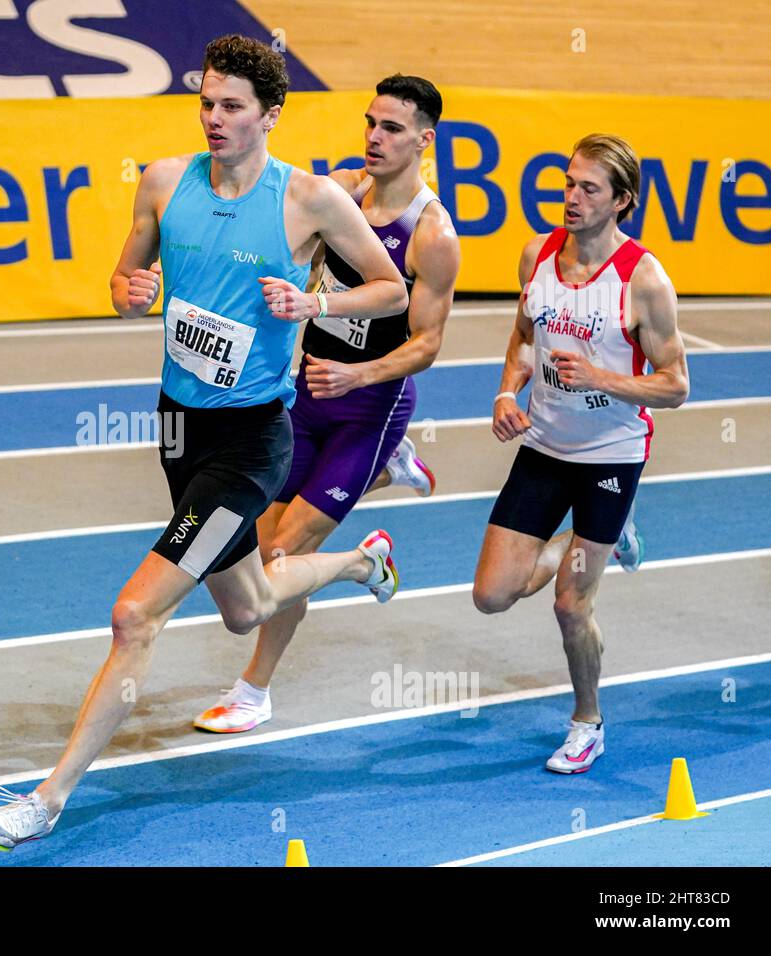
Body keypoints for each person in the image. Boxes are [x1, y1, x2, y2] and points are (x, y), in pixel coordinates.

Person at [0, 34, 409, 850]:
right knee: (246, 608)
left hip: (250, 444)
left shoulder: (309, 201)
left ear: (271, 116)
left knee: (134, 614)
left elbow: (391, 292)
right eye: (206, 102)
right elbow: (124, 283)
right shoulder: (165, 181)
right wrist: (127, 294)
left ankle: (48, 799)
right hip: (177, 427)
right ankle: (360, 561)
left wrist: (313, 309)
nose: (213, 118)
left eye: (232, 107)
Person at [193, 74, 461, 734]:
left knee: (283, 556)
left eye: (392, 128)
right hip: (306, 396)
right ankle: (380, 505)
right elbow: (297, 264)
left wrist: (360, 375)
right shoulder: (341, 191)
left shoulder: (432, 234)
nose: (374, 135)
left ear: (425, 140)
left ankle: (258, 686)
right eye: (370, 121)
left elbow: (425, 345)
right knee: (261, 554)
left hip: (368, 411)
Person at [471, 133, 689, 773]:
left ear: (621, 201)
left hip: (610, 455)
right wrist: (507, 393)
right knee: (491, 595)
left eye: (588, 188)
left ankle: (587, 721)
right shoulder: (536, 255)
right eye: (568, 183)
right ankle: (607, 537)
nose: (571, 197)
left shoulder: (643, 279)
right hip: (542, 444)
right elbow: (522, 336)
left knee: (570, 604)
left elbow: (675, 384)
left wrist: (601, 378)